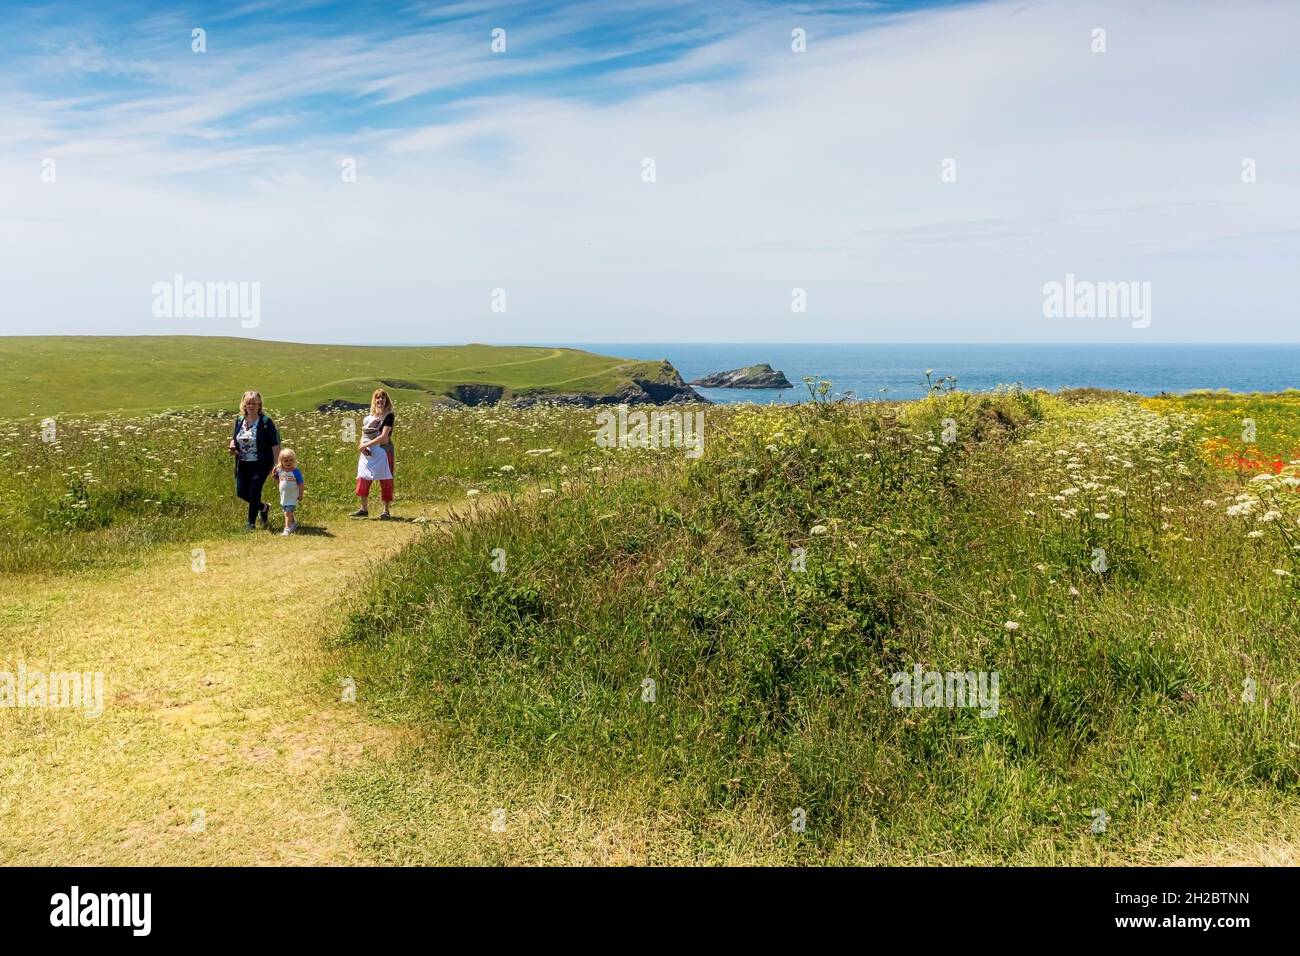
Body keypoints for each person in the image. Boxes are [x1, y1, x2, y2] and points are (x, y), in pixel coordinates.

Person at [227, 390, 281, 530]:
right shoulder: (239, 420)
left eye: (254, 403)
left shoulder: (265, 421)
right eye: (248, 403)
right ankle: (263, 507)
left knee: (254, 492)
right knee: (241, 492)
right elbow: (235, 438)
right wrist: (232, 446)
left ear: (259, 405)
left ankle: (250, 523)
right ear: (244, 405)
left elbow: (275, 444)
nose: (251, 406)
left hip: (261, 463)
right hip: (243, 463)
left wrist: (276, 464)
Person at [351, 389, 395, 519]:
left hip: (383, 452)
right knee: (363, 478)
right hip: (368, 453)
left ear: (386, 401)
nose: (380, 400)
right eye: (377, 398)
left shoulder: (389, 416)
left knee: (385, 479)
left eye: (382, 398)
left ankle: (386, 511)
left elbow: (384, 436)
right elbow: (364, 435)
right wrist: (361, 445)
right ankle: (364, 509)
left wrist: (366, 445)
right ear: (374, 400)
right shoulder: (368, 418)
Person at [272, 448, 305, 536]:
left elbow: (301, 483)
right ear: (281, 461)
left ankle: (287, 529)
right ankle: (293, 524)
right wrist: (274, 475)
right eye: (286, 460)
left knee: (288, 512)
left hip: (292, 496)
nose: (288, 462)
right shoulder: (280, 470)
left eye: (291, 460)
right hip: (284, 496)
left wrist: (301, 494)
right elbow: (278, 480)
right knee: (286, 511)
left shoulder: (295, 471)